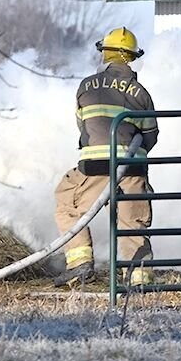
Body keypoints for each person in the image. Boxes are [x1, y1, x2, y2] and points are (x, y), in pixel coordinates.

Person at [53, 27, 160, 288]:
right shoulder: (140, 93)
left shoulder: (85, 87)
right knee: (132, 221)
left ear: (106, 53)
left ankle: (79, 263)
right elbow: (151, 135)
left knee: (67, 199)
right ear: (132, 57)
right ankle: (139, 278)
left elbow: (83, 129)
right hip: (132, 167)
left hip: (93, 167)